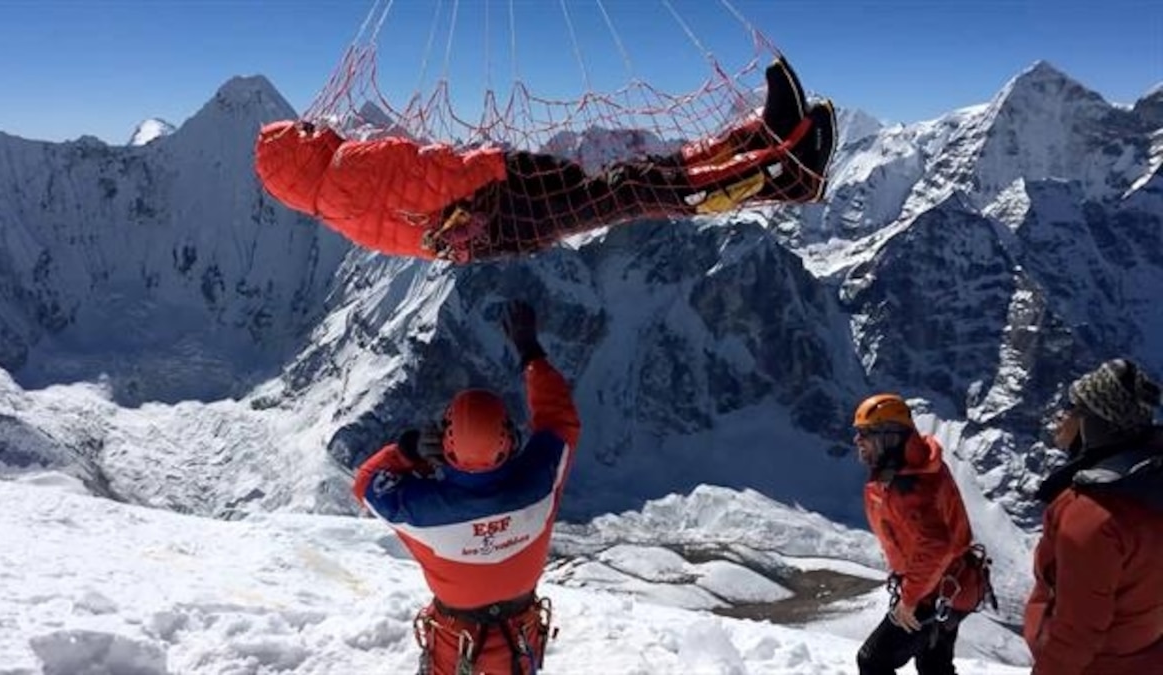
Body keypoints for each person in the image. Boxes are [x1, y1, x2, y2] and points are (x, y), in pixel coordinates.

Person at [255, 57, 836, 263]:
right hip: (504, 198)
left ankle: (762, 138)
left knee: (631, 183)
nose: (318, 126)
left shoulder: (333, 209)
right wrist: (505, 163)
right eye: (305, 132)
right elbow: (432, 170)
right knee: (632, 187)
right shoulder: (348, 169)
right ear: (300, 156)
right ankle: (784, 173)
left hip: (495, 229)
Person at [351, 301, 580, 675]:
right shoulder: (539, 484)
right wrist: (530, 351)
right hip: (517, 647)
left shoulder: (421, 513)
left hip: (456, 648)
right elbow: (561, 419)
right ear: (510, 438)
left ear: (445, 442)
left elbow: (366, 482)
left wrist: (409, 451)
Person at [1024, 358, 1163, 674]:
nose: (1061, 415)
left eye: (1074, 407)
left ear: (1096, 423)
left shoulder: (1093, 516)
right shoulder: (1150, 488)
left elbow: (1076, 632)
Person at [852, 394, 993, 675]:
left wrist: (909, 599)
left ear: (889, 437)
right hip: (955, 584)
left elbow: (937, 546)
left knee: (872, 661)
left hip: (932, 591)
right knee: (934, 666)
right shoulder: (919, 465)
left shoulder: (910, 487)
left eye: (865, 434)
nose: (858, 441)